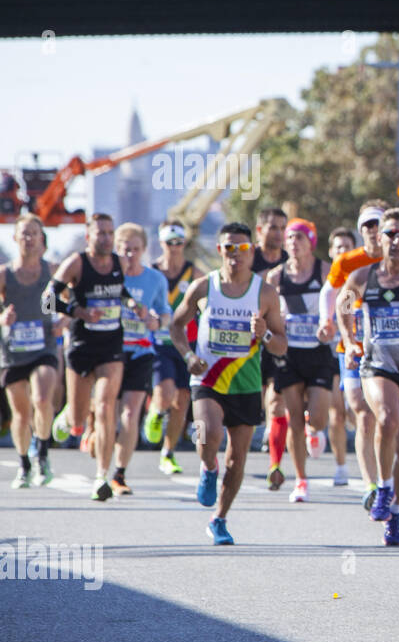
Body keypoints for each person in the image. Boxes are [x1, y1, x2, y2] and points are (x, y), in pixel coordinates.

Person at [170, 221, 288, 544]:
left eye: (242, 248)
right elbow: (176, 326)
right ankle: (208, 467)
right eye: (229, 248)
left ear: (252, 252)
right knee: (208, 435)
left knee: (237, 459)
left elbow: (282, 344)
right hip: (207, 376)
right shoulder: (203, 287)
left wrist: (264, 335)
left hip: (247, 383)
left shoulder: (264, 292)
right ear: (220, 250)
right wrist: (187, 356)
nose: (235, 255)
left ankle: (219, 519)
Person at [340, 207, 399, 546]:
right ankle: (382, 487)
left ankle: (395, 511)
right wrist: (350, 340)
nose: (396, 240)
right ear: (379, 238)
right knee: (386, 417)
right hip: (378, 362)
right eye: (390, 234)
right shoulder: (364, 277)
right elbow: (344, 305)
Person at [46, 213, 144, 501]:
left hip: (111, 344)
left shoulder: (118, 262)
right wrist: (78, 312)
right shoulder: (76, 263)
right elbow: (47, 299)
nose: (105, 238)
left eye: (109, 233)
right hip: (80, 344)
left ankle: (101, 476)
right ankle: (70, 418)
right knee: (78, 419)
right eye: (100, 233)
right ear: (88, 236)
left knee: (104, 407)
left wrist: (131, 303)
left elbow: (121, 290)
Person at [265, 218, 335, 503]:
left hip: (318, 352)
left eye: (300, 238)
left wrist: (329, 325)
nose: (293, 242)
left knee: (317, 417)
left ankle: (314, 429)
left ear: (311, 243)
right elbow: (267, 312)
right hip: (289, 353)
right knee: (292, 417)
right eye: (290, 237)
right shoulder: (276, 277)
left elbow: (337, 303)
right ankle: (301, 480)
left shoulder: (324, 270)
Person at [323, 205, 386, 504]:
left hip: (389, 348)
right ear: (361, 230)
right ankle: (370, 485)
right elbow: (330, 294)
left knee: (386, 416)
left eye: (379, 223)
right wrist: (330, 324)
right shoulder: (349, 261)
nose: (374, 229)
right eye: (368, 225)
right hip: (352, 349)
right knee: (361, 410)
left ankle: (389, 477)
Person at [108, 223, 171, 496]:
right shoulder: (107, 277)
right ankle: (90, 432)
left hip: (141, 351)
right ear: (117, 250)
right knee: (106, 412)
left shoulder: (155, 279)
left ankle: (119, 473)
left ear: (144, 250)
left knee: (131, 413)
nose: (131, 255)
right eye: (125, 249)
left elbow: (165, 313)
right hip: (108, 352)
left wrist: (155, 321)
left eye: (136, 249)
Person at [1, 213, 59, 488]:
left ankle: (42, 452)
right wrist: (3, 319)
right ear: (15, 238)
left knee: (42, 399)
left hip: (44, 347)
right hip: (12, 351)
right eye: (24, 233)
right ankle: (23, 463)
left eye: (34, 233)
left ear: (41, 238)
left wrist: (64, 321)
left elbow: (71, 302)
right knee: (21, 415)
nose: (29, 238)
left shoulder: (52, 271)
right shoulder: (4, 274)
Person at [144, 221, 199, 475]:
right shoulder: (152, 272)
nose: (174, 248)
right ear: (161, 243)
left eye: (179, 243)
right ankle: (155, 411)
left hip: (186, 344)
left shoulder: (194, 273)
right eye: (169, 243)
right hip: (159, 343)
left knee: (183, 400)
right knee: (165, 394)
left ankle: (168, 452)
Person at [253, 207, 291, 488]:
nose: (278, 234)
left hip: (277, 336)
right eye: (273, 227)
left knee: (276, 399)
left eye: (282, 228)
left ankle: (274, 459)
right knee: (257, 397)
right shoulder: (247, 259)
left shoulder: (292, 261)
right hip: (248, 340)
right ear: (260, 231)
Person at [325, 227, 357, 486]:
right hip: (329, 354)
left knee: (353, 410)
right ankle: (340, 466)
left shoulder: (363, 276)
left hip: (354, 352)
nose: (343, 252)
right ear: (331, 252)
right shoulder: (328, 282)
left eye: (348, 247)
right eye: (338, 247)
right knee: (336, 413)